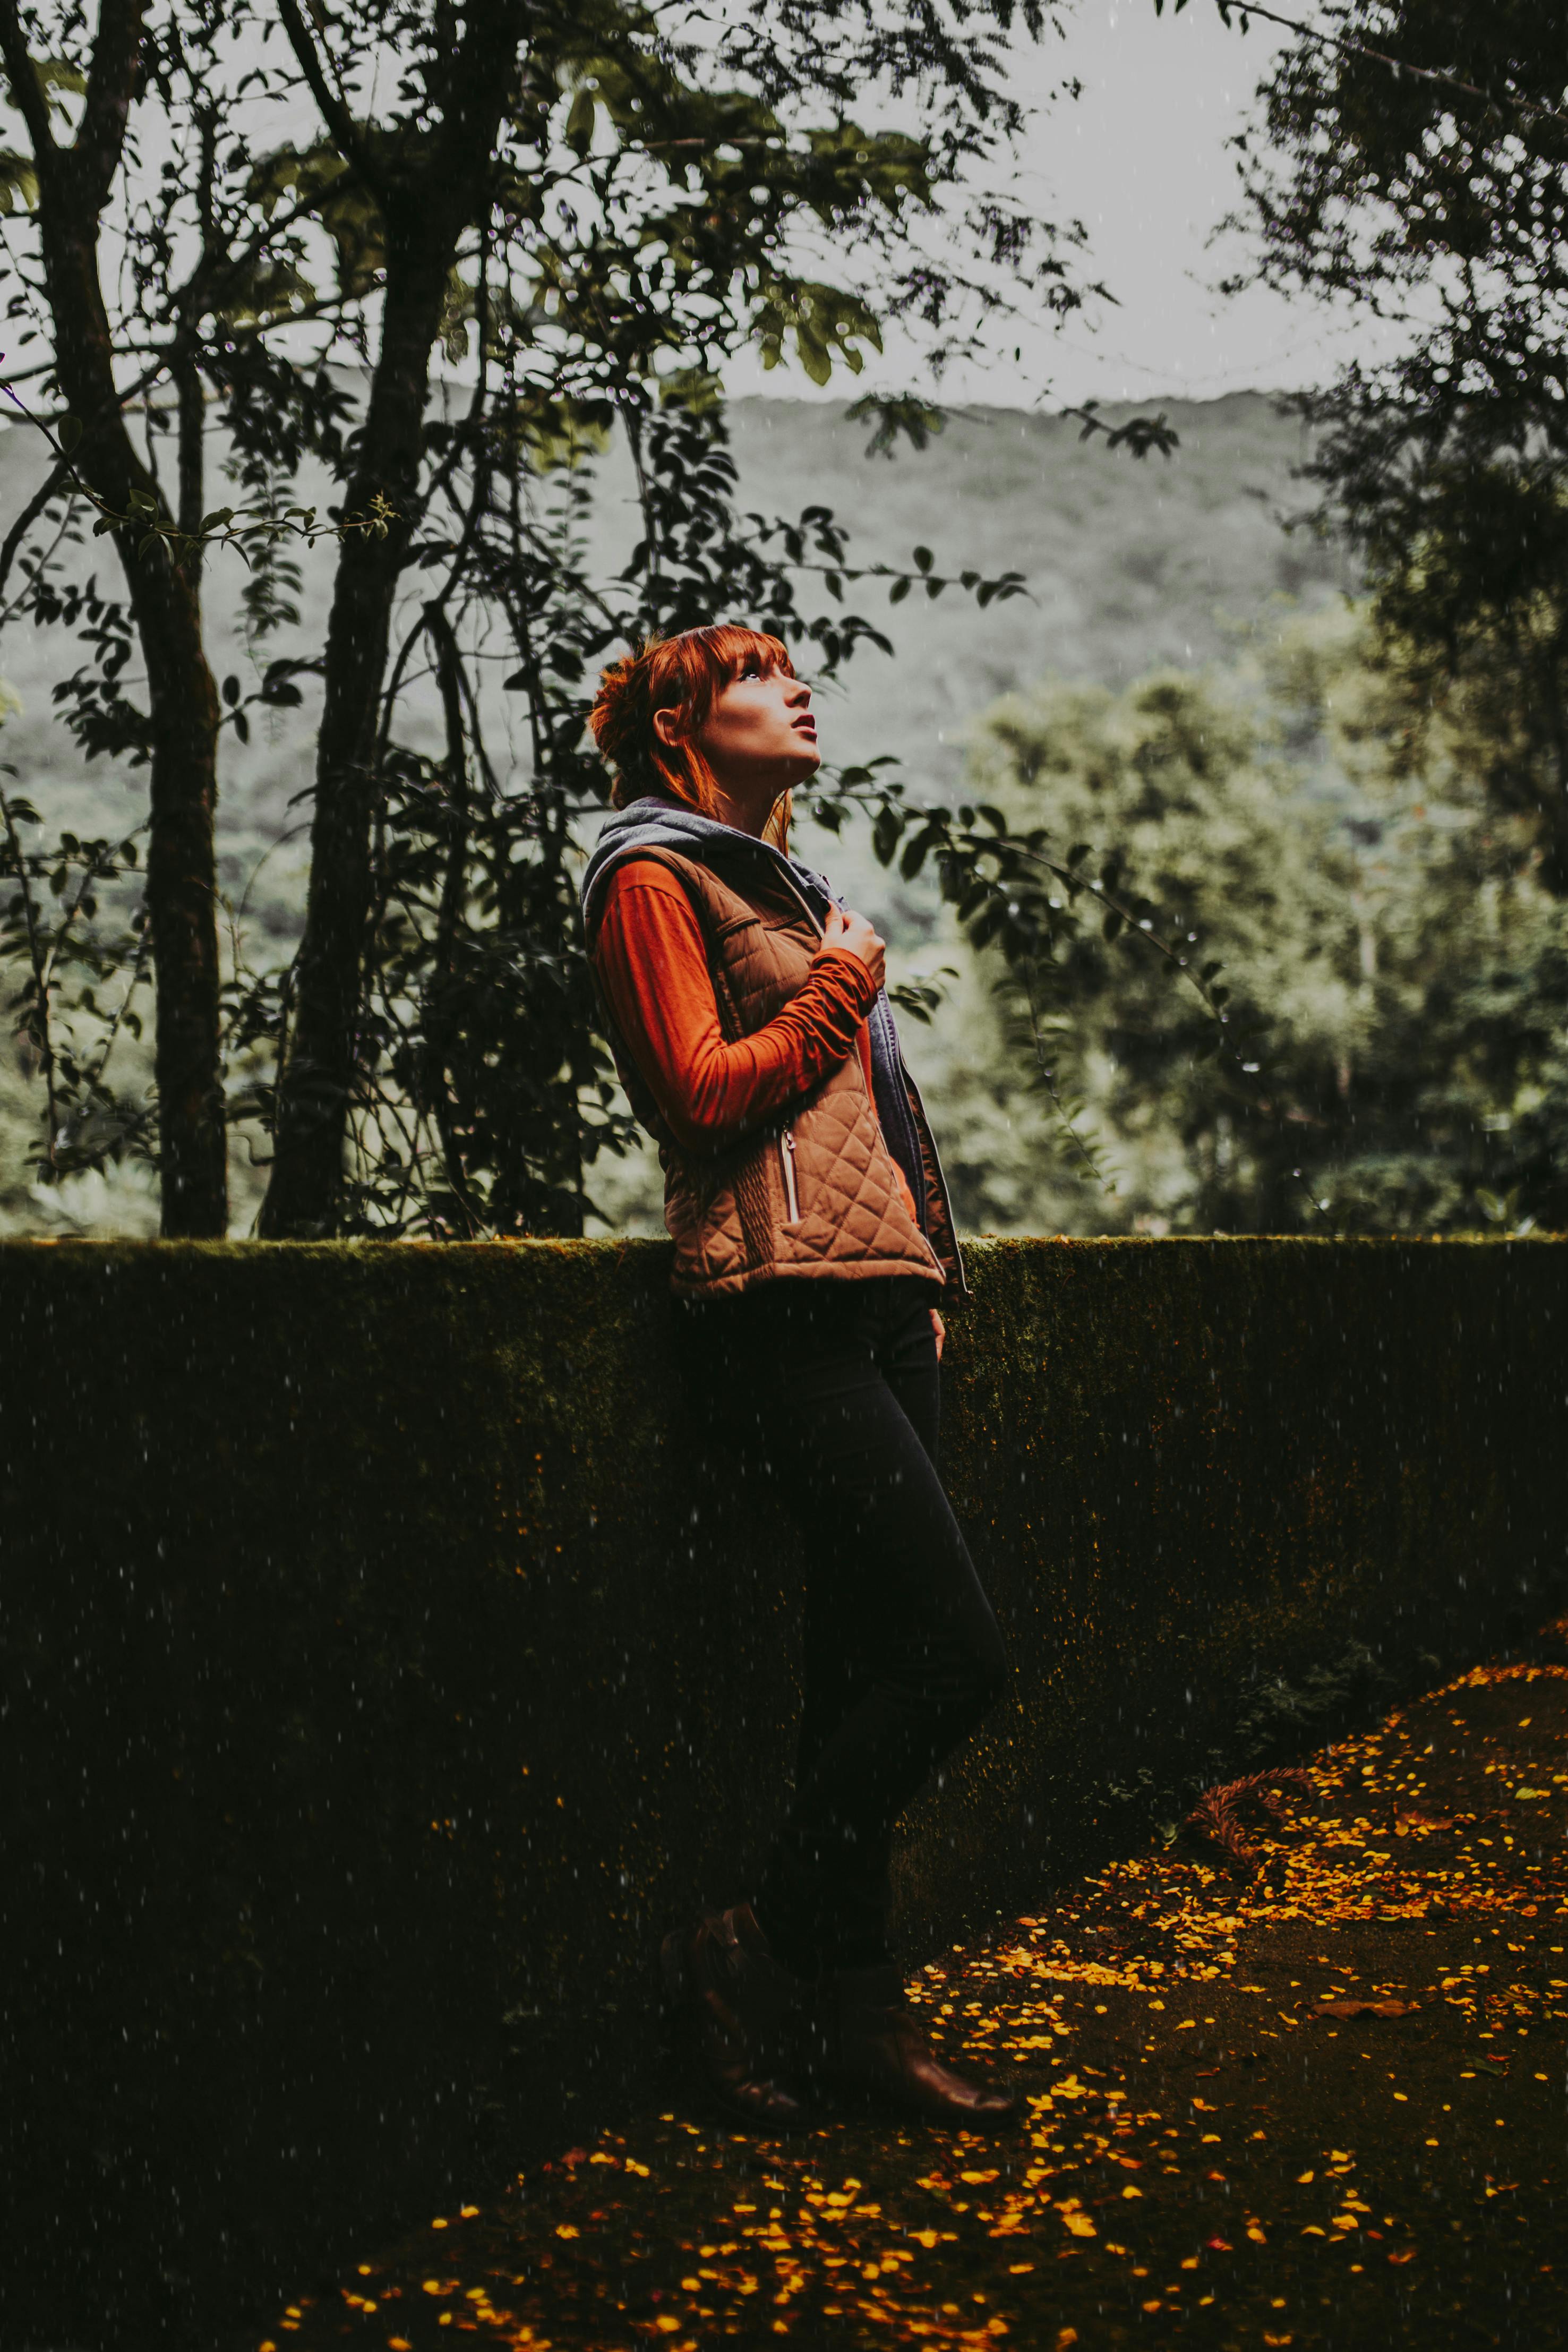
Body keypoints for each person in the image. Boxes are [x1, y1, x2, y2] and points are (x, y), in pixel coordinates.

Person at [581, 623, 1014, 2130]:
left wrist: (922, 1274)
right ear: (679, 730)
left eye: (795, 669)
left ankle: (853, 2020)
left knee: (855, 1674)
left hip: (876, 1304)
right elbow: (698, 1097)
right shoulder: (651, 876)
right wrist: (837, 988)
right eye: (761, 675)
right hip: (777, 1310)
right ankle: (746, 1944)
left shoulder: (797, 891)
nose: (798, 686)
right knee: (957, 1658)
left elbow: (864, 1129)